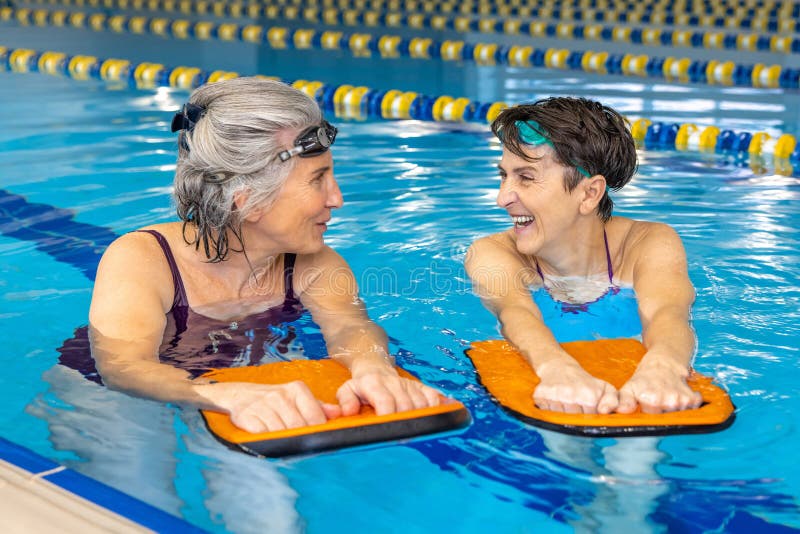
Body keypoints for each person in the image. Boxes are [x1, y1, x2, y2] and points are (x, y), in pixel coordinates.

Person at [87, 77, 441, 433]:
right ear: (248, 203)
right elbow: (123, 367)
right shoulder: (143, 259)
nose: (336, 199)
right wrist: (228, 395)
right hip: (112, 401)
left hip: (236, 377)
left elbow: (351, 326)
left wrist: (373, 369)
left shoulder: (313, 263)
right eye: (318, 180)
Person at [465, 97, 703, 415]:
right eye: (503, 176)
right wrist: (554, 368)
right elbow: (515, 312)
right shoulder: (493, 252)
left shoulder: (646, 243)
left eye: (526, 177)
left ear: (589, 193)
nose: (502, 198)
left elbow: (667, 313)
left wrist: (664, 367)